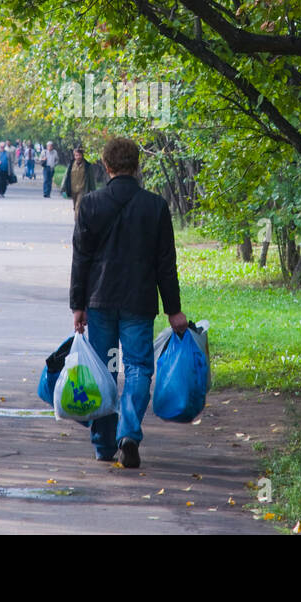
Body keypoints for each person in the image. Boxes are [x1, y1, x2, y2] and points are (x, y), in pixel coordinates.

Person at [70, 137, 186, 467]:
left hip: (100, 300)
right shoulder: (155, 206)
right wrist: (173, 309)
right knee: (138, 368)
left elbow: (81, 259)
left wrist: (78, 305)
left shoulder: (90, 204)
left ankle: (104, 444)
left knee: (105, 369)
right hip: (139, 301)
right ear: (136, 166)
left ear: (105, 166)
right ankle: (129, 435)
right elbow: (166, 262)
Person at [61, 146, 97, 217]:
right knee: (75, 207)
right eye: (77, 155)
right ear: (74, 156)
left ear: (82, 156)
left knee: (78, 207)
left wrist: (93, 191)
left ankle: (77, 223)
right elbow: (66, 176)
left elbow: (91, 180)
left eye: (80, 155)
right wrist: (63, 187)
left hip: (82, 190)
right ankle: (79, 220)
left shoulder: (87, 166)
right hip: (73, 189)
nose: (78, 157)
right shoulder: (71, 165)